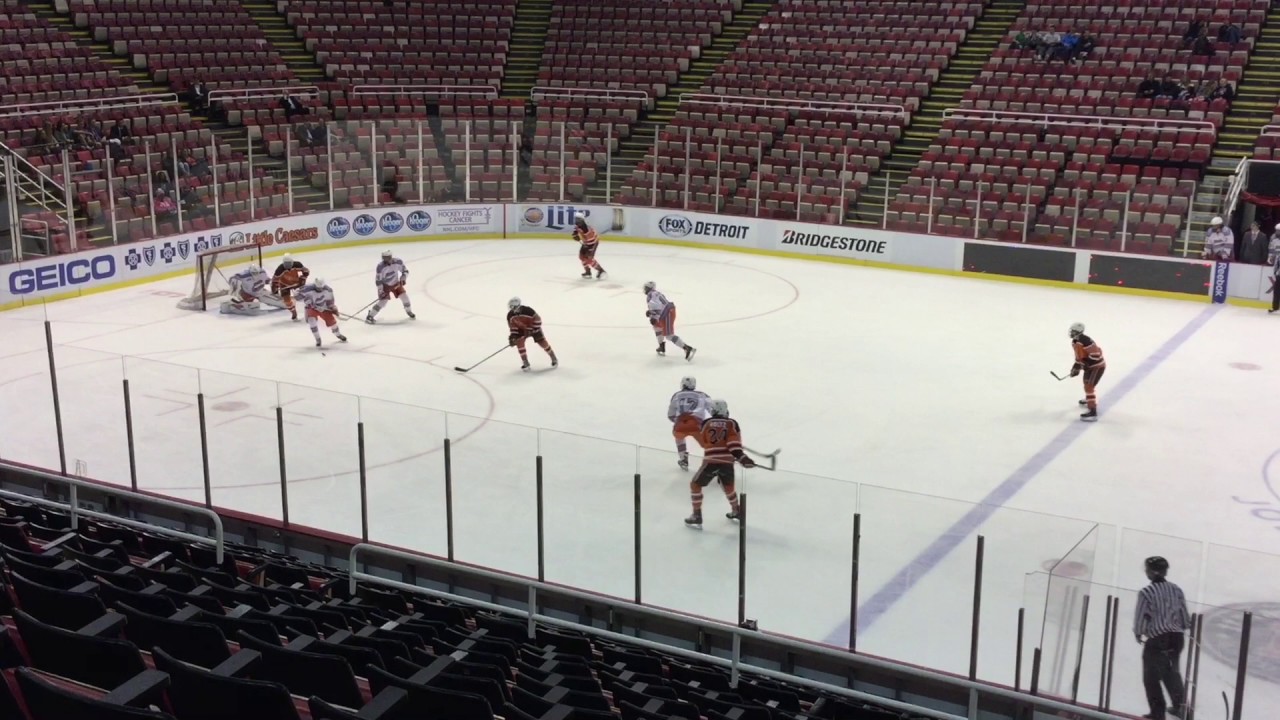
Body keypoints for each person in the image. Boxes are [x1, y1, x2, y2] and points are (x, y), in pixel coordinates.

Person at [1134, 556, 1189, 720]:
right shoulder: (1176, 589)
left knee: (1150, 676)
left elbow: (1140, 619)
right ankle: (1181, 707)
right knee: (1171, 671)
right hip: (1177, 638)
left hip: (1158, 639)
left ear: (1152, 572)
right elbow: (1185, 618)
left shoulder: (1146, 592)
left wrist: (1139, 632)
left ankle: (1157, 713)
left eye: (1147, 569)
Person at [685, 399, 754, 528]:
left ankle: (696, 515)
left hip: (711, 461)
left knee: (695, 485)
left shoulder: (706, 423)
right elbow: (734, 444)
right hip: (727, 462)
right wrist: (742, 457)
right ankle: (736, 510)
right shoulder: (732, 423)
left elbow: (704, 442)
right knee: (729, 487)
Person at [643, 281, 696, 360]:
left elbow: (657, 308)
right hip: (666, 312)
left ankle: (687, 348)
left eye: (646, 288)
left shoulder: (651, 295)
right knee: (656, 327)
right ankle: (661, 346)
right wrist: (652, 314)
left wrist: (652, 315)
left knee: (669, 335)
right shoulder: (655, 293)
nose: (645, 289)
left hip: (667, 313)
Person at [668, 376, 711, 471]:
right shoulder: (702, 395)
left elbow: (671, 414)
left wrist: (676, 421)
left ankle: (683, 458)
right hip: (697, 424)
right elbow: (713, 409)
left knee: (679, 437)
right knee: (708, 444)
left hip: (680, 425)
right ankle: (714, 459)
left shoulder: (676, 395)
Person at [507, 297, 557, 371]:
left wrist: (533, 329)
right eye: (510, 307)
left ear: (517, 306)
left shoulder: (528, 311)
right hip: (521, 330)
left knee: (542, 342)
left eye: (512, 307)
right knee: (519, 343)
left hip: (534, 328)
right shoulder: (510, 315)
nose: (511, 309)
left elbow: (538, 320)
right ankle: (525, 362)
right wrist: (513, 336)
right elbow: (512, 327)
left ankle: (553, 357)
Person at [1069, 322, 1105, 422]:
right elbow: (1079, 356)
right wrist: (1075, 367)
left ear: (1079, 332)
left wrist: (1085, 364)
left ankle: (1093, 412)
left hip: (1097, 367)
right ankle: (1089, 399)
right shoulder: (1075, 341)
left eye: (1073, 331)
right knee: (1086, 384)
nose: (1071, 333)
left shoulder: (1085, 341)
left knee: (1089, 386)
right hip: (1090, 367)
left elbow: (1096, 355)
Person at [366, 250, 415, 323]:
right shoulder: (380, 267)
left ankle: (409, 311)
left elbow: (405, 271)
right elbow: (378, 281)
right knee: (383, 302)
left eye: (387, 258)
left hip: (396, 284)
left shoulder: (398, 261)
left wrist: (403, 277)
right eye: (384, 258)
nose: (386, 260)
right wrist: (381, 291)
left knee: (404, 297)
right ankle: (370, 315)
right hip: (385, 286)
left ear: (390, 257)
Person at [299, 277, 347, 348]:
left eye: (321, 288)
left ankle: (338, 334)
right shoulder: (307, 289)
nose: (319, 289)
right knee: (312, 322)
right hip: (312, 309)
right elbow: (297, 296)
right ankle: (318, 339)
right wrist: (308, 302)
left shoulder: (328, 290)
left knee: (333, 324)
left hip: (324, 308)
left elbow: (330, 302)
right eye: (318, 288)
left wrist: (333, 308)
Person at [220, 265, 285, 315]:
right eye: (253, 273)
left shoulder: (263, 273)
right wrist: (235, 286)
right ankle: (231, 306)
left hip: (260, 293)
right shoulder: (244, 275)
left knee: (285, 304)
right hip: (247, 294)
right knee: (254, 308)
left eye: (257, 273)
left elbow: (268, 281)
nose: (255, 275)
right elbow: (232, 279)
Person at [272, 253, 309, 321]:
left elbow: (306, 270)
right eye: (286, 264)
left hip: (296, 283)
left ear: (292, 262)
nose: (288, 266)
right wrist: (275, 288)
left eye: (289, 263)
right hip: (284, 285)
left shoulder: (297, 264)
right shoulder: (279, 270)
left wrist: (303, 277)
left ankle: (310, 310)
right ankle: (294, 312)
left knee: (307, 296)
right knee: (287, 302)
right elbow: (274, 281)